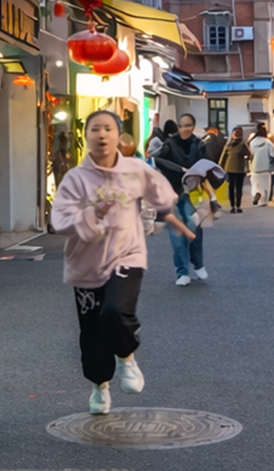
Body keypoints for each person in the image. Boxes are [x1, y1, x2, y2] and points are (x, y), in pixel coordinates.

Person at [50, 110, 193, 415]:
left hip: (127, 254)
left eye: (108, 129)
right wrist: (92, 215)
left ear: (118, 136)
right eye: (94, 129)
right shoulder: (75, 178)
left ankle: (127, 357)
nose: (101, 134)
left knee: (115, 311)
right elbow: (59, 220)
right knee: (91, 331)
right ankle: (99, 385)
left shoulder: (135, 170)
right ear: (86, 136)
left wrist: (175, 212)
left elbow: (162, 195)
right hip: (86, 264)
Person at [152, 113, 209, 284]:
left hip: (193, 193)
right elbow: (159, 160)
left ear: (194, 127)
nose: (185, 129)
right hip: (173, 194)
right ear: (178, 127)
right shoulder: (170, 144)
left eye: (189, 125)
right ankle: (182, 272)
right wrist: (180, 169)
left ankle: (197, 263)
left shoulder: (198, 144)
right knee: (177, 233)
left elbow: (206, 164)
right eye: (182, 125)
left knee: (195, 228)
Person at [220, 127, 250, 213]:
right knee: (233, 188)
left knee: (237, 188)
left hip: (238, 170)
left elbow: (250, 155)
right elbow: (223, 157)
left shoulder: (241, 145)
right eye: (235, 133)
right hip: (231, 169)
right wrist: (219, 168)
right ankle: (234, 206)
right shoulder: (229, 145)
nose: (236, 135)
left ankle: (237, 206)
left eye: (238, 133)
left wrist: (246, 158)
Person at [247, 123, 274, 207]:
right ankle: (263, 201)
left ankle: (256, 193)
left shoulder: (252, 142)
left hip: (254, 168)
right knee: (265, 186)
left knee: (256, 184)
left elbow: (248, 155)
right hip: (266, 168)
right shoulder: (268, 142)